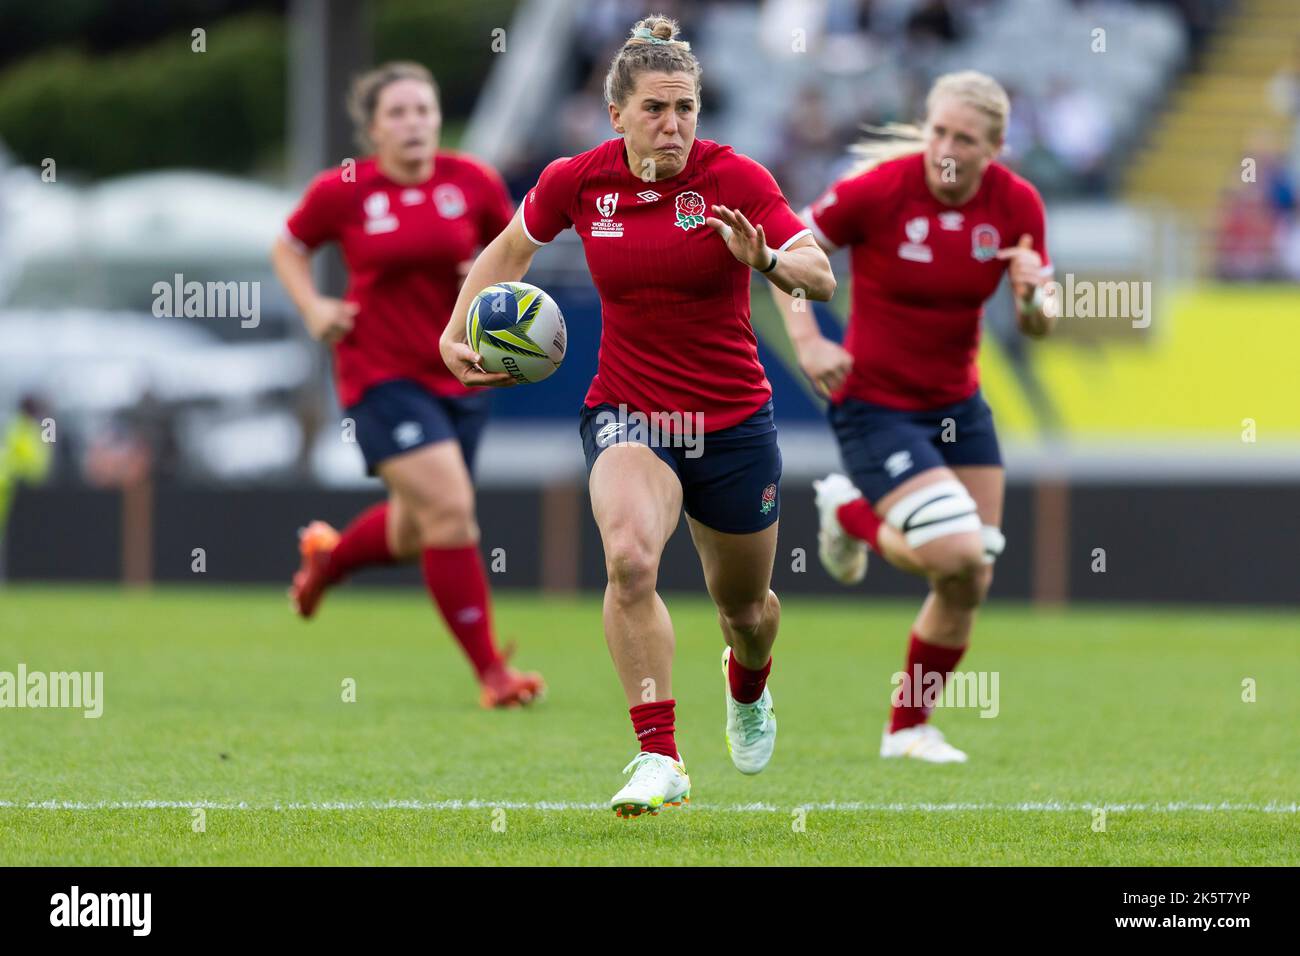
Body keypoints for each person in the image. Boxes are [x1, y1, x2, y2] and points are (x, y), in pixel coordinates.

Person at [440, 15, 836, 816]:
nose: (674, 124)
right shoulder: (576, 179)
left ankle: (749, 687)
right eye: (656, 109)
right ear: (615, 114)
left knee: (747, 613)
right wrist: (455, 327)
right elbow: (509, 249)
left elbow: (819, 274)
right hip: (629, 413)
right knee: (629, 560)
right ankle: (659, 754)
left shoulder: (736, 179)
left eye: (686, 108)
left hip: (731, 424)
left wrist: (764, 259)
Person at [771, 71, 1054, 763]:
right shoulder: (878, 190)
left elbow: (1040, 321)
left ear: (996, 147)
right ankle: (852, 516)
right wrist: (809, 342)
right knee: (954, 553)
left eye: (964, 137)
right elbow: (787, 258)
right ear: (924, 129)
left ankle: (906, 730)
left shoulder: (1017, 205)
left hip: (959, 407)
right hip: (876, 404)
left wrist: (1034, 302)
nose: (947, 148)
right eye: (938, 131)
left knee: (972, 574)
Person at [270, 62, 544, 708]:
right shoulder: (344, 189)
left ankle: (328, 560)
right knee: (450, 511)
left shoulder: (471, 181)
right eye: (397, 113)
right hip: (379, 373)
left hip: (460, 376)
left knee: (418, 528)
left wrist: (490, 290)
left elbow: (510, 254)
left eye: (423, 109)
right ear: (372, 129)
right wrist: (313, 308)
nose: (414, 123)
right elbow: (287, 245)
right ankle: (491, 674)